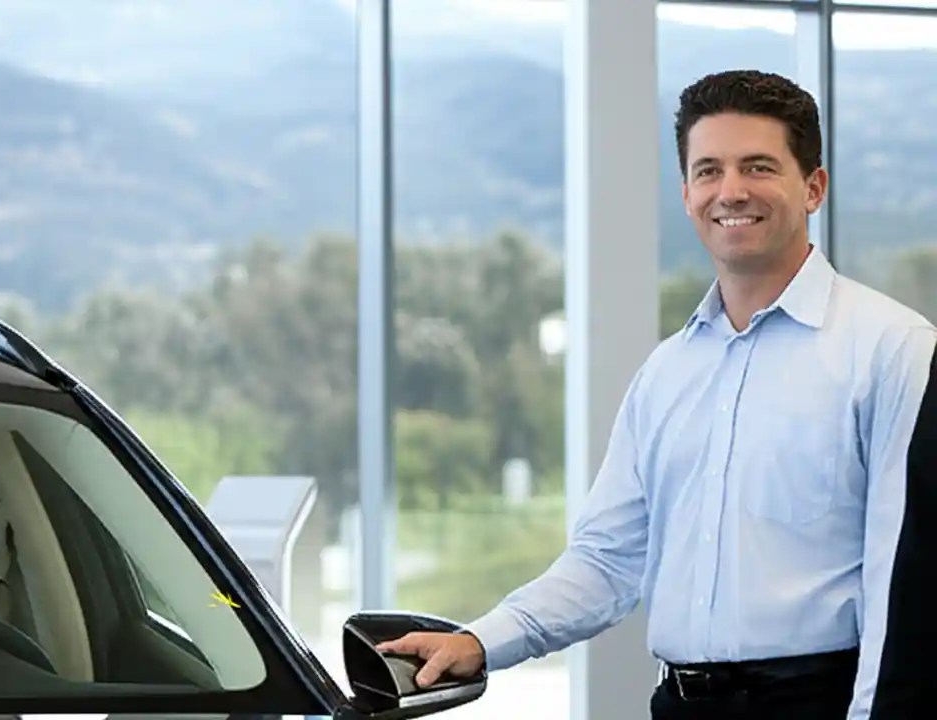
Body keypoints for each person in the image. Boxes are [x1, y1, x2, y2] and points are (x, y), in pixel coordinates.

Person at [376, 69, 936, 719]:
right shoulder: (667, 372)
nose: (731, 191)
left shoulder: (893, 350)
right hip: (679, 704)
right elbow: (607, 560)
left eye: (758, 167)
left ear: (813, 188)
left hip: (819, 703)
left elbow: (907, 584)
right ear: (687, 191)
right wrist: (481, 640)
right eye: (708, 170)